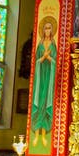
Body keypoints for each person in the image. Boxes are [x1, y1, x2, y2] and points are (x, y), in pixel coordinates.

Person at [32, 20, 57, 148]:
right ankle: (36, 135)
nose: (47, 30)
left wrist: (49, 58)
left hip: (49, 77)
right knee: (39, 101)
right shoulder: (40, 45)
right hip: (40, 76)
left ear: (52, 31)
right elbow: (36, 61)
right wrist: (43, 58)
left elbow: (56, 61)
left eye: (49, 28)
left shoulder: (53, 45)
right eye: (46, 28)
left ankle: (43, 135)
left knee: (46, 101)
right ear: (43, 30)